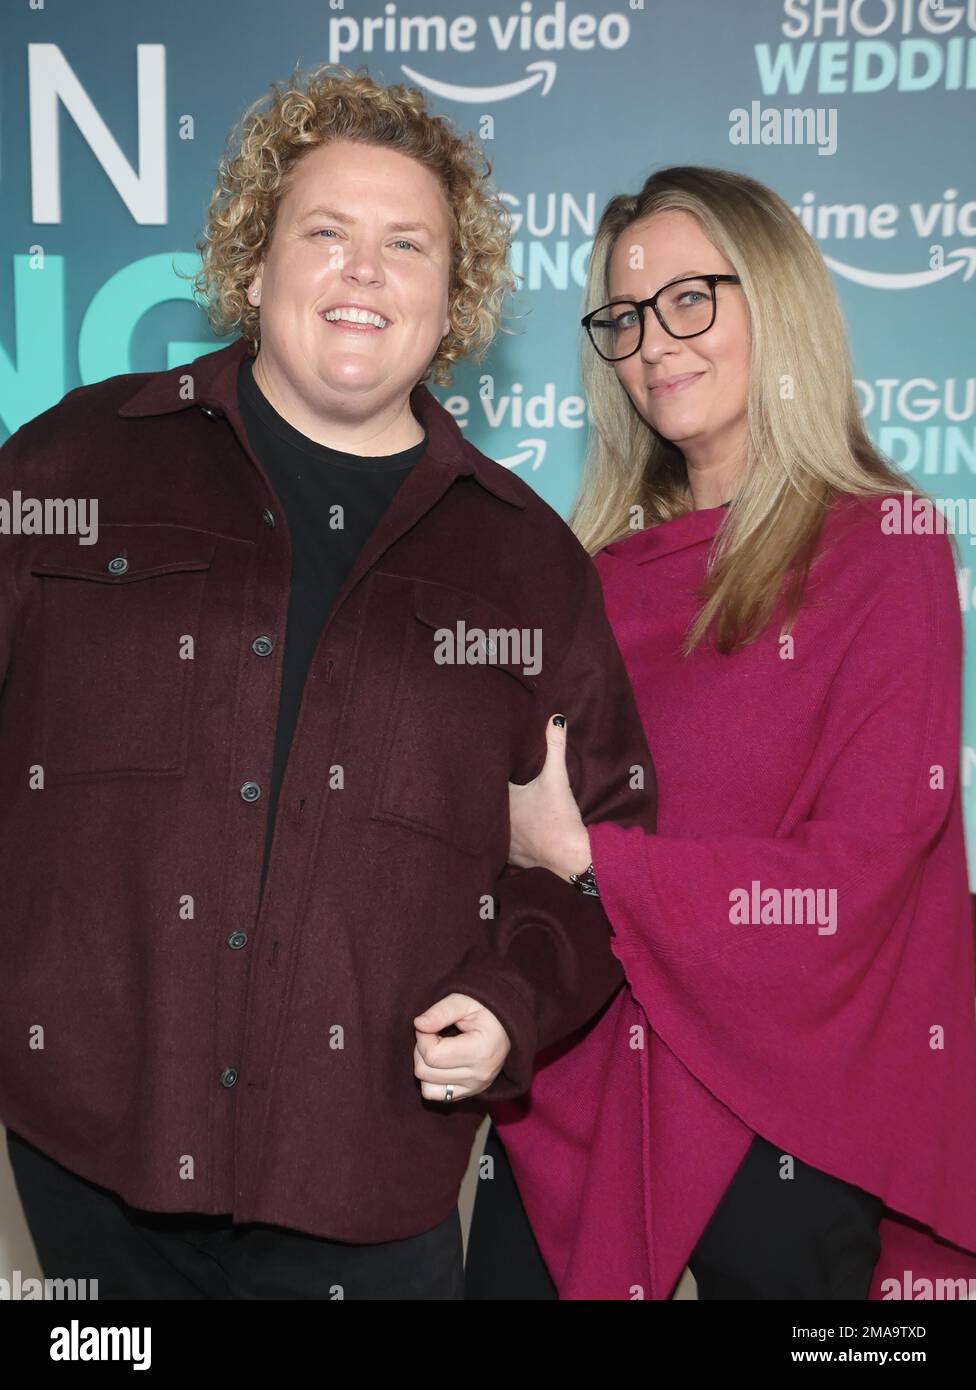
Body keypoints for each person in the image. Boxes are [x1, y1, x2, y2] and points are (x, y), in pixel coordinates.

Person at [0, 65, 658, 1300]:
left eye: (406, 244)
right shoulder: (73, 462)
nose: (365, 270)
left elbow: (605, 855)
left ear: (450, 299)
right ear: (254, 266)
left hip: (366, 1178)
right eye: (326, 232)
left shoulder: (528, 567)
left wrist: (515, 996)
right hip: (82, 1149)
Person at [465, 165, 976, 1300]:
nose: (653, 341)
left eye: (691, 298)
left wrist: (595, 859)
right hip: (577, 1091)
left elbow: (867, 861)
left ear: (776, 300)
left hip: (788, 1102)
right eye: (624, 316)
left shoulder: (883, 545)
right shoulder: (581, 576)